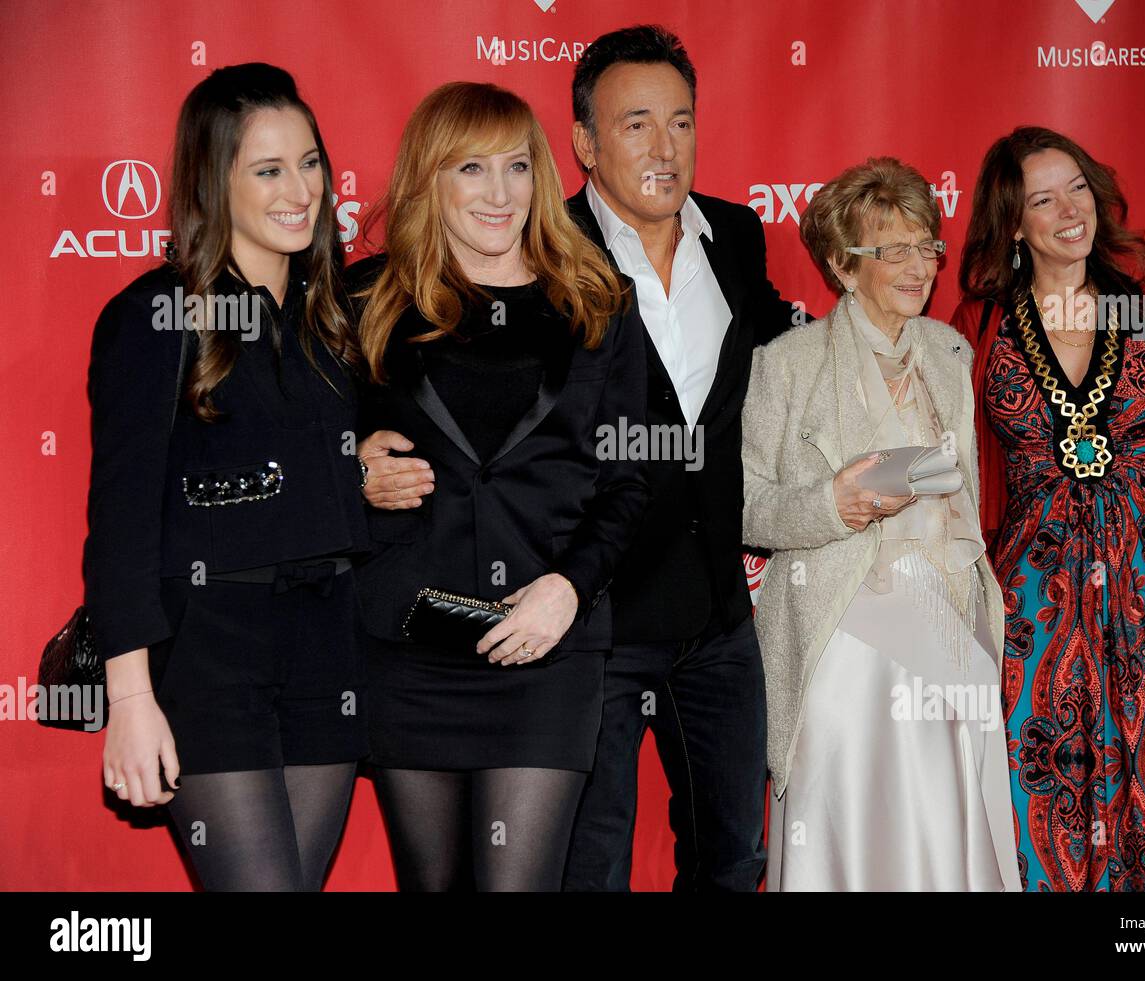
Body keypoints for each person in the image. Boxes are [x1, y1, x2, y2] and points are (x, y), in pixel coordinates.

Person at [350, 81, 649, 892]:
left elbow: (632, 480)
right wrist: (357, 468)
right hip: (412, 649)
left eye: (517, 166)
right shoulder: (367, 300)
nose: (499, 192)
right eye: (471, 169)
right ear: (430, 180)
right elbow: (305, 452)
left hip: (545, 647)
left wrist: (570, 589)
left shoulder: (596, 302)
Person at [87, 63, 373, 890]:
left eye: (311, 162)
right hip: (211, 654)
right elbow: (123, 523)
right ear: (216, 180)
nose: (301, 189)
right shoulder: (157, 315)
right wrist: (131, 699)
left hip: (329, 650)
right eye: (269, 169)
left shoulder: (338, 316)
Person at [950, 125, 1145, 891]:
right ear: (1014, 221)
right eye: (1043, 198)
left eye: (1077, 186)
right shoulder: (978, 327)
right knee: (1032, 792)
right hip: (1030, 614)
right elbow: (956, 486)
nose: (1069, 209)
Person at [561, 24, 812, 891]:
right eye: (636, 124)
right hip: (594, 616)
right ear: (586, 143)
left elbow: (781, 340)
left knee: (734, 855)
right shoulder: (545, 253)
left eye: (681, 121)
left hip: (716, 615)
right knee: (590, 865)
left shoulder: (737, 236)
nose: (666, 148)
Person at [742, 157, 1019, 891]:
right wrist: (837, 502)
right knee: (860, 828)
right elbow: (748, 504)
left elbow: (965, 496)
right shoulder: (787, 363)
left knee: (943, 825)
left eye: (926, 246)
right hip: (844, 636)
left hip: (947, 623)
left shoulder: (948, 353)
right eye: (891, 249)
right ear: (842, 263)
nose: (918, 265)